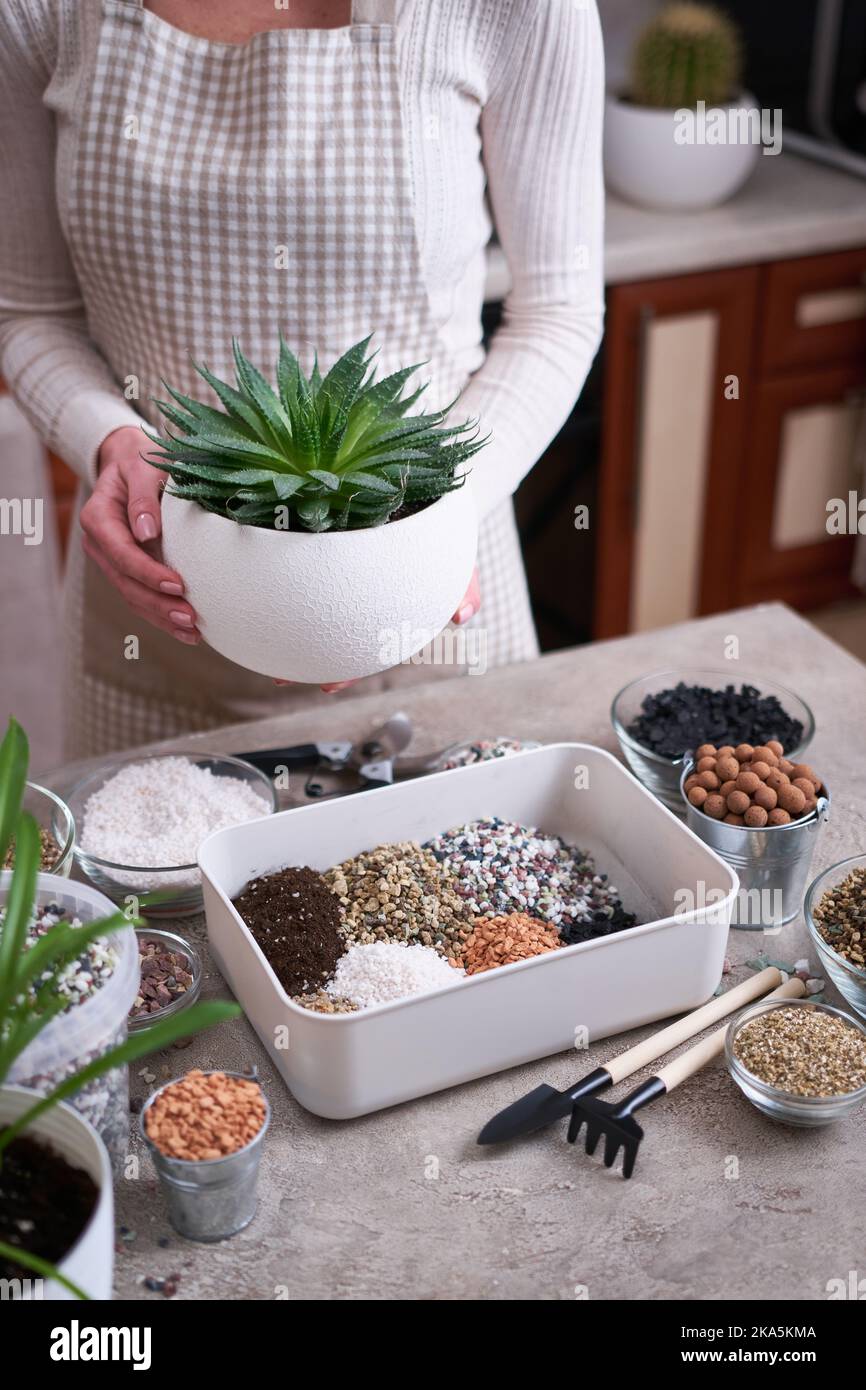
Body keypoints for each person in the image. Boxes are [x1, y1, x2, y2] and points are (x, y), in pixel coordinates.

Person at [0, 0, 604, 757]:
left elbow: (559, 311)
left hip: (429, 587)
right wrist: (106, 438)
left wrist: (441, 519)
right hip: (160, 616)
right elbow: (29, 314)